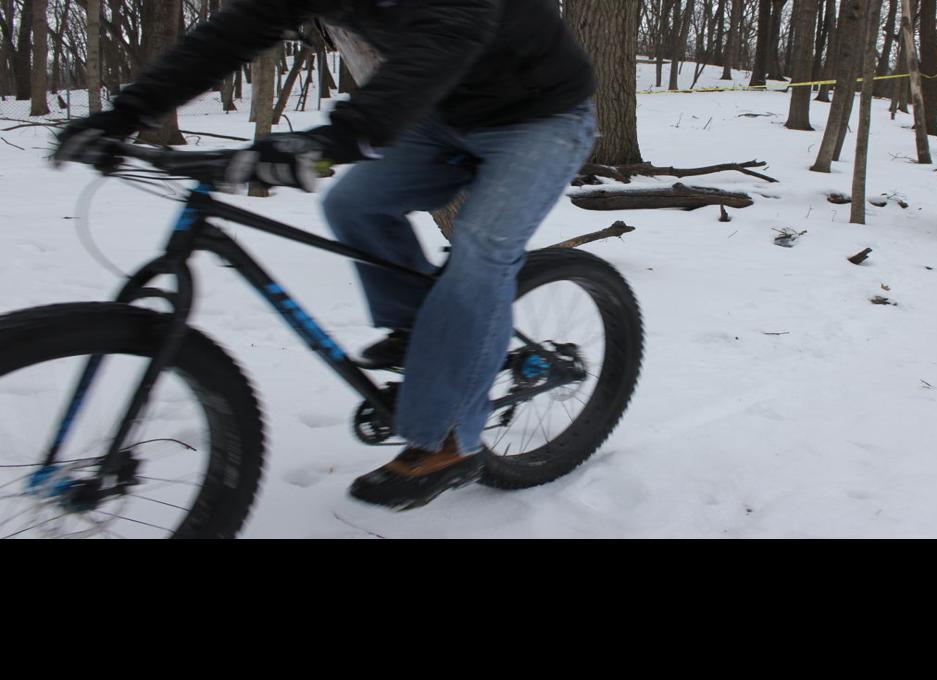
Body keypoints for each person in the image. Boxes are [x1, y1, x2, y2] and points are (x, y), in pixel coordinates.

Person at [53, 0, 598, 511]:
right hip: (443, 114)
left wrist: (340, 137)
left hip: (542, 116)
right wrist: (124, 115)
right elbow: (229, 36)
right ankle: (425, 336)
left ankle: (451, 438)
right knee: (354, 205)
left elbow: (446, 38)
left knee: (482, 251)